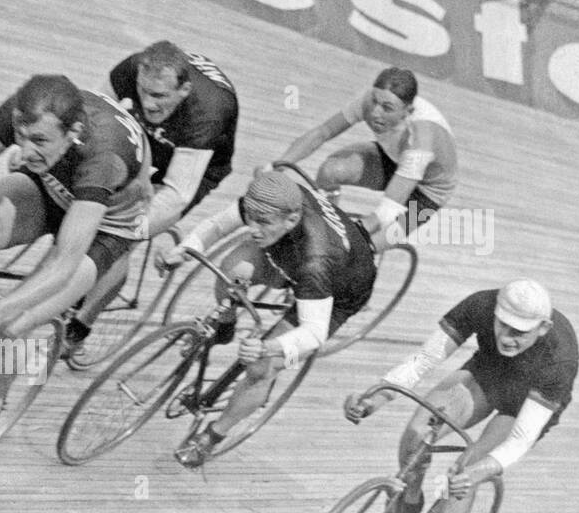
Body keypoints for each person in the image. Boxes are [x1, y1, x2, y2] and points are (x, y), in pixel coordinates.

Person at [0, 74, 152, 460]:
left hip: (104, 225)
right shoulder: (28, 111)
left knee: (14, 322)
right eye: (20, 137)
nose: (22, 149)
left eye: (38, 141)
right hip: (52, 186)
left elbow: (63, 262)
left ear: (73, 132)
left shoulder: (103, 156)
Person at [344, 279, 579, 513]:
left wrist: (480, 471)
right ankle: (409, 501)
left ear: (543, 328)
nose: (507, 338)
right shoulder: (479, 305)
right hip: (487, 375)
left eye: (519, 332)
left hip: (524, 405)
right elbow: (422, 360)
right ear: (495, 310)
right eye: (502, 326)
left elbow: (521, 439)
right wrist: (376, 397)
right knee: (417, 430)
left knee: (464, 475)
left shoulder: (560, 360)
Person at [156, 170, 377, 468]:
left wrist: (267, 349)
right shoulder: (273, 196)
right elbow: (219, 225)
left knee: (263, 367)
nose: (253, 228)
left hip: (336, 291)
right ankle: (226, 323)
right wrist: (185, 250)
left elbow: (314, 333)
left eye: (262, 223)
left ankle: (213, 435)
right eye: (250, 217)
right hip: (291, 255)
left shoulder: (316, 261)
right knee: (233, 269)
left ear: (291, 219)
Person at [64, 41, 241, 352]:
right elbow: (91, 118)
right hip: (146, 137)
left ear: (183, 91)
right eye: (143, 91)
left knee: (116, 239)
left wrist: (121, 228)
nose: (148, 102)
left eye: (159, 96)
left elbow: (176, 194)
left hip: (193, 163)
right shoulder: (132, 68)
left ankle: (80, 328)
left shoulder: (207, 113)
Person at [270, 67, 457, 252]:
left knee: (364, 250)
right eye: (375, 102)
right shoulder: (371, 102)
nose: (376, 112)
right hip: (394, 160)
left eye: (387, 108)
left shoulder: (421, 140)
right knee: (331, 171)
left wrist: (353, 238)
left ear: (408, 111)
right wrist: (277, 165)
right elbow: (323, 132)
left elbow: (384, 213)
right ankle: (326, 228)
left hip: (429, 191)